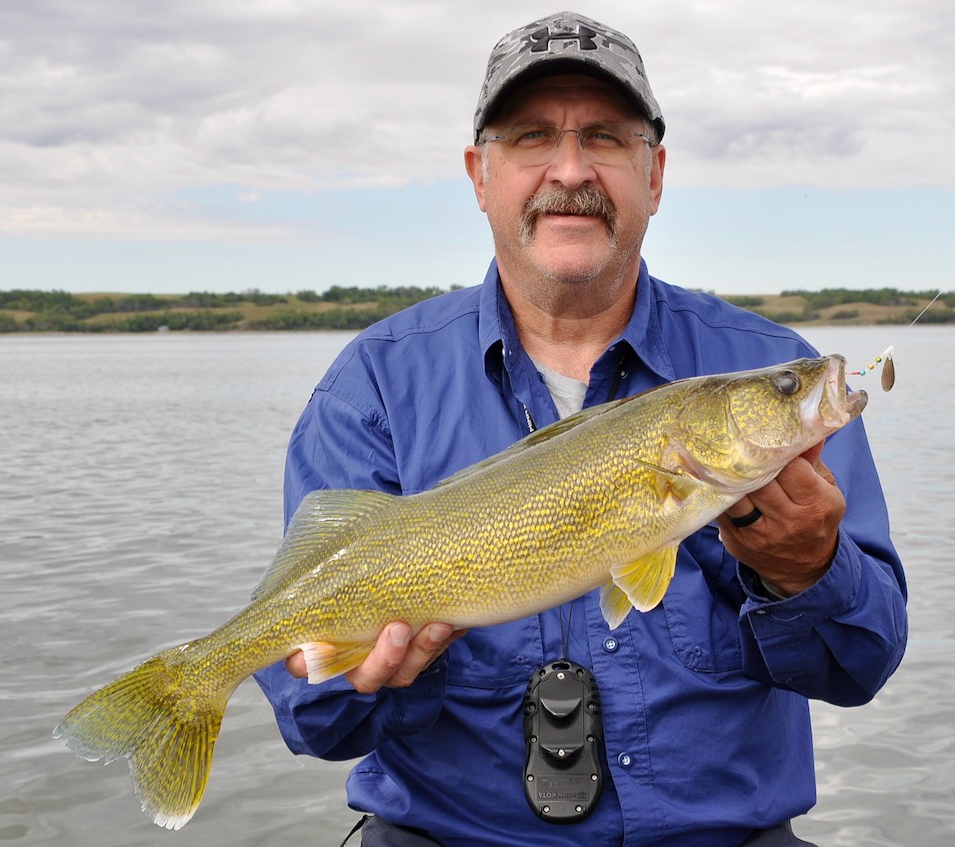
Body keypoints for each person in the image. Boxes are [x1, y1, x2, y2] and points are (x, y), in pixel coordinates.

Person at [255, 12, 907, 847]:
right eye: (532, 136)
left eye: (605, 136)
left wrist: (809, 570)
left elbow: (863, 662)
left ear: (655, 175)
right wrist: (361, 678)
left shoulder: (768, 363)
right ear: (480, 175)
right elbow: (311, 716)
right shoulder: (373, 386)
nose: (570, 170)